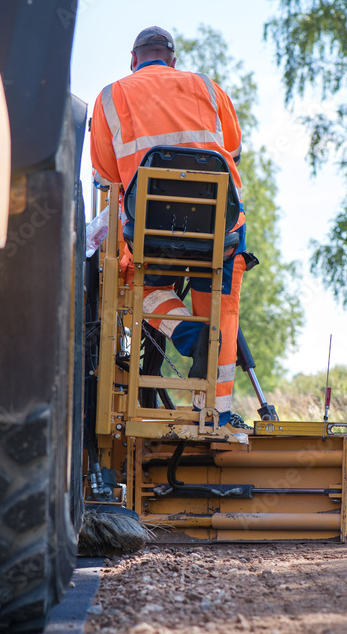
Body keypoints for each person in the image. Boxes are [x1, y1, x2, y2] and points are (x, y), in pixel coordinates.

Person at [90, 26, 246, 424]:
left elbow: (106, 176)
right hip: (219, 230)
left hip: (151, 232)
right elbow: (235, 150)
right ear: (173, 60)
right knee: (220, 309)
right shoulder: (207, 88)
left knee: (135, 282)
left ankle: (191, 340)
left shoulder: (110, 96)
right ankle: (215, 417)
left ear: (133, 60)